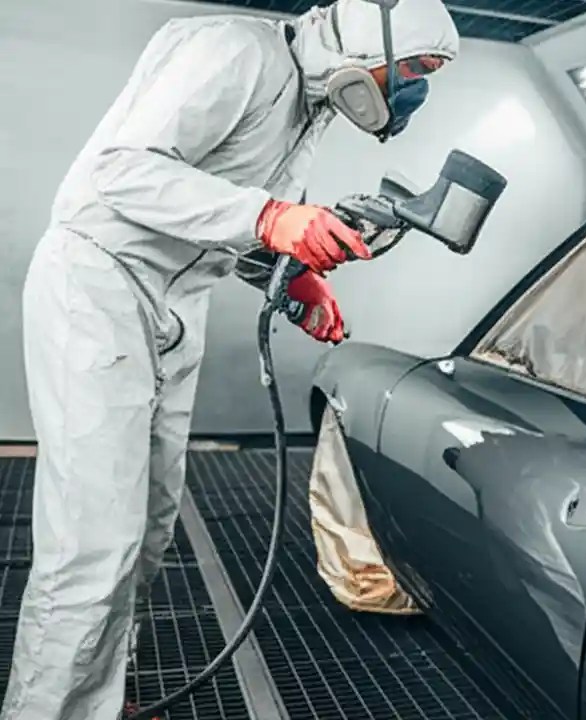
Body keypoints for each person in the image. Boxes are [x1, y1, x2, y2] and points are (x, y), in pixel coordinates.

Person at [4, 0, 459, 717]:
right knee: (95, 540)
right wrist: (273, 218)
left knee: (150, 522)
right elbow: (119, 172)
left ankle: (97, 690)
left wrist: (286, 266)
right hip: (100, 285)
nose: (415, 92)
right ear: (377, 39)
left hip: (175, 305)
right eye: (417, 70)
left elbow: (220, 207)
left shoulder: (308, 109)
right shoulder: (238, 51)